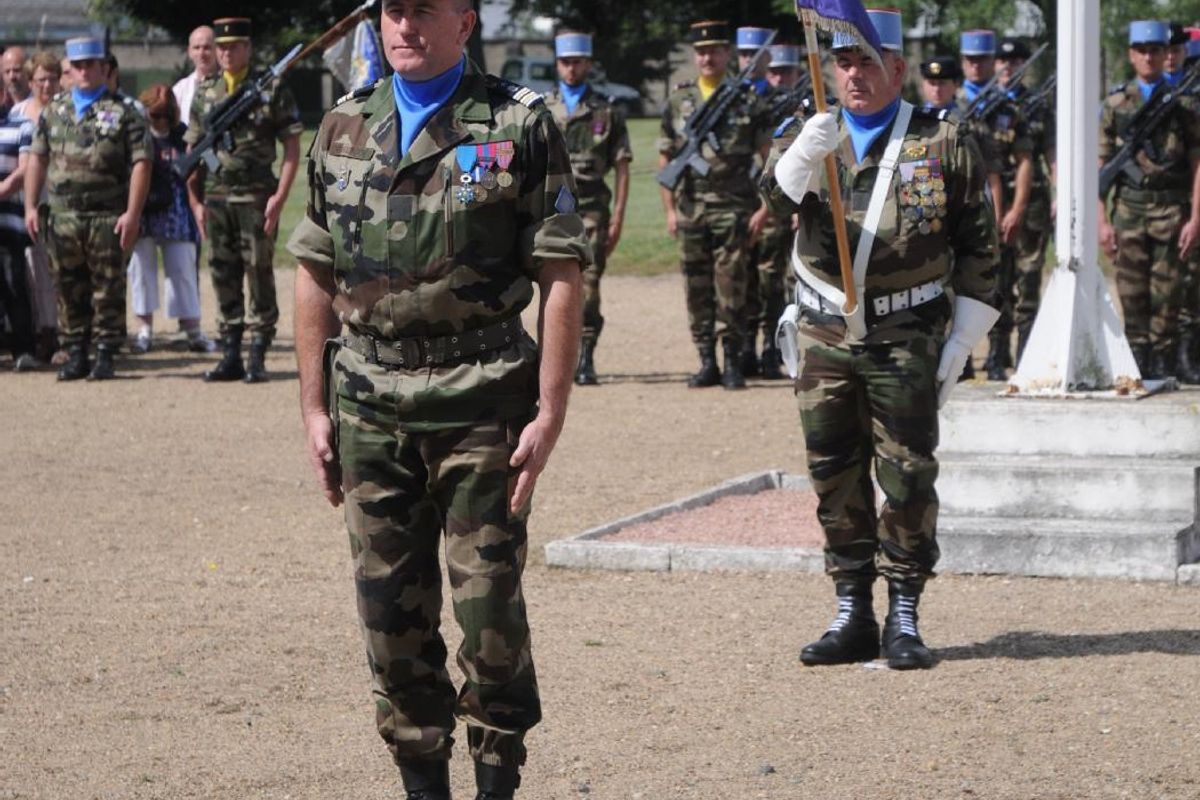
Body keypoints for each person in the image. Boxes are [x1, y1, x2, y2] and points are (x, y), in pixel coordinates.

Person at [287, 0, 587, 796]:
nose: (404, 27)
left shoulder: (519, 123)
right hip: (371, 405)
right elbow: (313, 268)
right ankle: (422, 781)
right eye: (394, 11)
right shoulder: (343, 125)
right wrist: (314, 408)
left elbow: (560, 270)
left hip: (482, 400)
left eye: (424, 10)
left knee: (489, 616)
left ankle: (497, 777)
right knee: (390, 617)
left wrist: (551, 410)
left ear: (465, 21)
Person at [762, 7, 998, 669]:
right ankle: (851, 609)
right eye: (843, 62)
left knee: (907, 474)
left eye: (867, 62)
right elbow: (771, 207)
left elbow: (980, 246)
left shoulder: (942, 140)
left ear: (898, 68)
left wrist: (963, 340)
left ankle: (904, 611)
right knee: (833, 471)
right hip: (824, 332)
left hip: (905, 332)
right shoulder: (811, 131)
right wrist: (801, 158)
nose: (853, 75)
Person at [24, 36, 151, 381]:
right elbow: (38, 158)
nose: (83, 72)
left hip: (106, 216)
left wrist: (133, 213)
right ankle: (76, 352)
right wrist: (31, 205)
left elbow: (142, 164)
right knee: (67, 287)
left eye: (90, 65)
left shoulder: (125, 112)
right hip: (63, 216)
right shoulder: (55, 110)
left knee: (108, 287)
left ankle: (106, 352)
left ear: (103, 68)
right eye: (76, 66)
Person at [185, 17, 302, 383]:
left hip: (256, 197)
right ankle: (230, 353)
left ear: (248, 48)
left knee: (259, 272)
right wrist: (196, 202)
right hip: (217, 198)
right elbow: (194, 150)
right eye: (221, 47)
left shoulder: (270, 89)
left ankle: (258, 355)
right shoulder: (205, 92)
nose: (226, 53)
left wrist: (280, 197)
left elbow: (292, 147)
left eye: (234, 46)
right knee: (222, 272)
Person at [658, 20, 773, 389]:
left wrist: (765, 208)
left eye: (715, 51)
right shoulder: (678, 100)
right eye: (701, 52)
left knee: (732, 286)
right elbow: (666, 159)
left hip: (734, 209)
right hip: (690, 209)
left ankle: (733, 361)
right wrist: (670, 211)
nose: (708, 58)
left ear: (727, 53)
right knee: (697, 288)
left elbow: (769, 159)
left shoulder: (747, 101)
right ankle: (706, 359)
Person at [1098, 20, 1200, 380]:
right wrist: (1101, 221)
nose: (1149, 57)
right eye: (1141, 51)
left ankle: (1163, 361)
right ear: (1131, 55)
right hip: (1129, 210)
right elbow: (1100, 166)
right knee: (1131, 292)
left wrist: (1196, 218)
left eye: (1155, 50)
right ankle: (1137, 360)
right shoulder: (1115, 104)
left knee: (1169, 294)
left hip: (1171, 212)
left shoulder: (1184, 105)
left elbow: (1197, 164)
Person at [543, 31, 631, 386]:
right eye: (565, 62)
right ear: (557, 64)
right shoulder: (542, 108)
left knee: (589, 284)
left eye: (577, 62)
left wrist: (619, 217)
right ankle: (553, 359)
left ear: (588, 64)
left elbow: (622, 165)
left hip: (593, 210)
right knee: (553, 285)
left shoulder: (606, 110)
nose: (571, 68)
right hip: (551, 212)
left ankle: (586, 355)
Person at [957, 29, 1032, 381]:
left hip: (996, 205)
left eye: (982, 60)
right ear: (963, 63)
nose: (976, 66)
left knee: (999, 283)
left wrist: (1011, 211)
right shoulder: (949, 104)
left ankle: (998, 355)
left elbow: (1022, 161)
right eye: (970, 60)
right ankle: (960, 358)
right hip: (958, 207)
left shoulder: (1008, 109)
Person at [127, 84, 211, 354]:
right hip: (144, 211)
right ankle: (144, 329)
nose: (161, 120)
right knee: (141, 270)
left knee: (183, 268)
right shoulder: (137, 135)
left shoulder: (183, 133)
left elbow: (205, 161)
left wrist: (201, 196)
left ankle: (192, 329)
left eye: (166, 114)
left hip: (177, 211)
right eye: (156, 114)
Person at [996, 37, 1055, 362]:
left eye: (1017, 61)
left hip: (1032, 202)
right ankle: (998, 351)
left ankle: (1026, 352)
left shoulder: (1038, 105)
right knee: (997, 278)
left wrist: (1059, 193)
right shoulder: (985, 105)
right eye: (1004, 61)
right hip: (993, 199)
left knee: (1029, 277)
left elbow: (1051, 153)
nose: (1009, 66)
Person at [9, 50, 60, 362]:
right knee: (33, 269)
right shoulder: (18, 113)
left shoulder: (67, 110)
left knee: (60, 269)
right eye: (41, 79)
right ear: (31, 82)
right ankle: (43, 331)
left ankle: (63, 332)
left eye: (52, 79)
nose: (46, 85)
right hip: (28, 202)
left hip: (61, 200)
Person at [0, 88, 38, 370]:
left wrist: (1, 190)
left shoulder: (23, 125)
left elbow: (25, 170)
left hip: (9, 221)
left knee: (14, 282)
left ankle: (24, 349)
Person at [172, 26, 217, 131]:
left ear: (217, 49)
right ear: (189, 52)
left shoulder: (227, 84)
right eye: (196, 48)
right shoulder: (179, 90)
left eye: (207, 48)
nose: (201, 53)